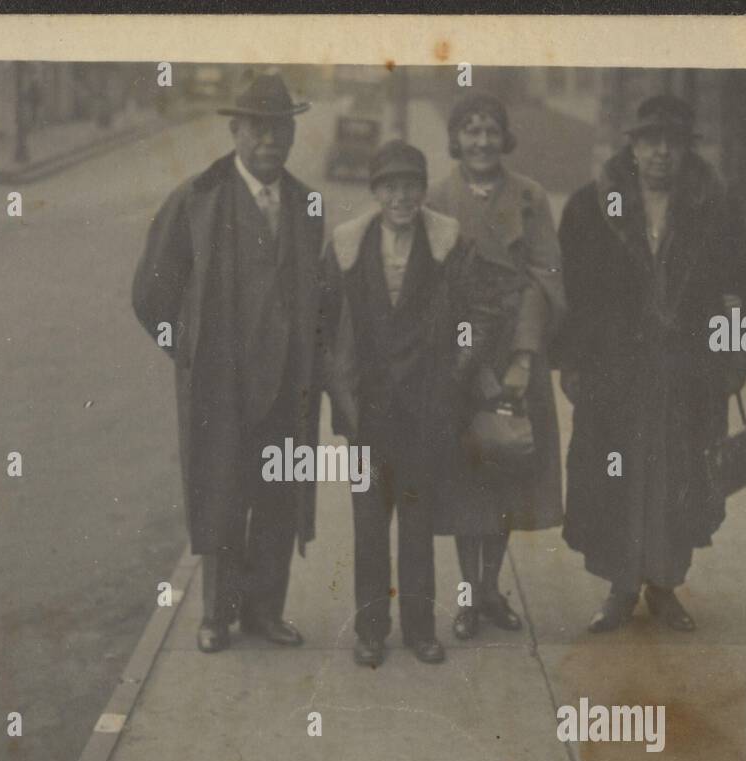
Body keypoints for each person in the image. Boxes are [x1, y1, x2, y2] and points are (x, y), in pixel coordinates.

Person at [131, 73, 325, 654]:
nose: (270, 140)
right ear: (236, 131)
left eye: (280, 128)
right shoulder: (198, 199)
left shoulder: (304, 203)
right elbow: (150, 294)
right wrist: (188, 352)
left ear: (292, 135)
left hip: (287, 385)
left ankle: (266, 612)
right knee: (221, 495)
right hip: (221, 384)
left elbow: (320, 295)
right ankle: (217, 615)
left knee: (277, 498)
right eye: (258, 128)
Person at [556, 95, 746, 633]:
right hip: (617, 371)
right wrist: (573, 362)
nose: (662, 153)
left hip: (687, 370)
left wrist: (739, 355)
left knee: (680, 477)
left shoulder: (713, 206)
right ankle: (620, 589)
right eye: (651, 142)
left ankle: (666, 586)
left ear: (686, 150)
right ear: (634, 145)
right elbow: (573, 293)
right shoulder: (593, 205)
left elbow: (743, 283)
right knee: (617, 475)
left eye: (673, 142)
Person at [320, 141, 495, 667]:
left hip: (426, 408)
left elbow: (480, 313)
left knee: (418, 524)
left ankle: (420, 629)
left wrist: (455, 373)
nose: (401, 196)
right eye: (390, 186)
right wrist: (342, 392)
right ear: (375, 192)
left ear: (423, 190)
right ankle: (371, 631)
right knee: (369, 527)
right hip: (368, 411)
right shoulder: (348, 245)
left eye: (410, 185)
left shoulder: (448, 244)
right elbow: (325, 325)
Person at [428, 92, 566, 641]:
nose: (481, 142)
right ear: (456, 138)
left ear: (503, 137)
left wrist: (524, 358)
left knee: (509, 468)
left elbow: (545, 277)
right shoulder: (437, 198)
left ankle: (490, 590)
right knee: (467, 480)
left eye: (490, 131)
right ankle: (469, 594)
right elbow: (436, 293)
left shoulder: (530, 197)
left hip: (519, 357)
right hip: (461, 362)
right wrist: (470, 365)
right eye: (470, 131)